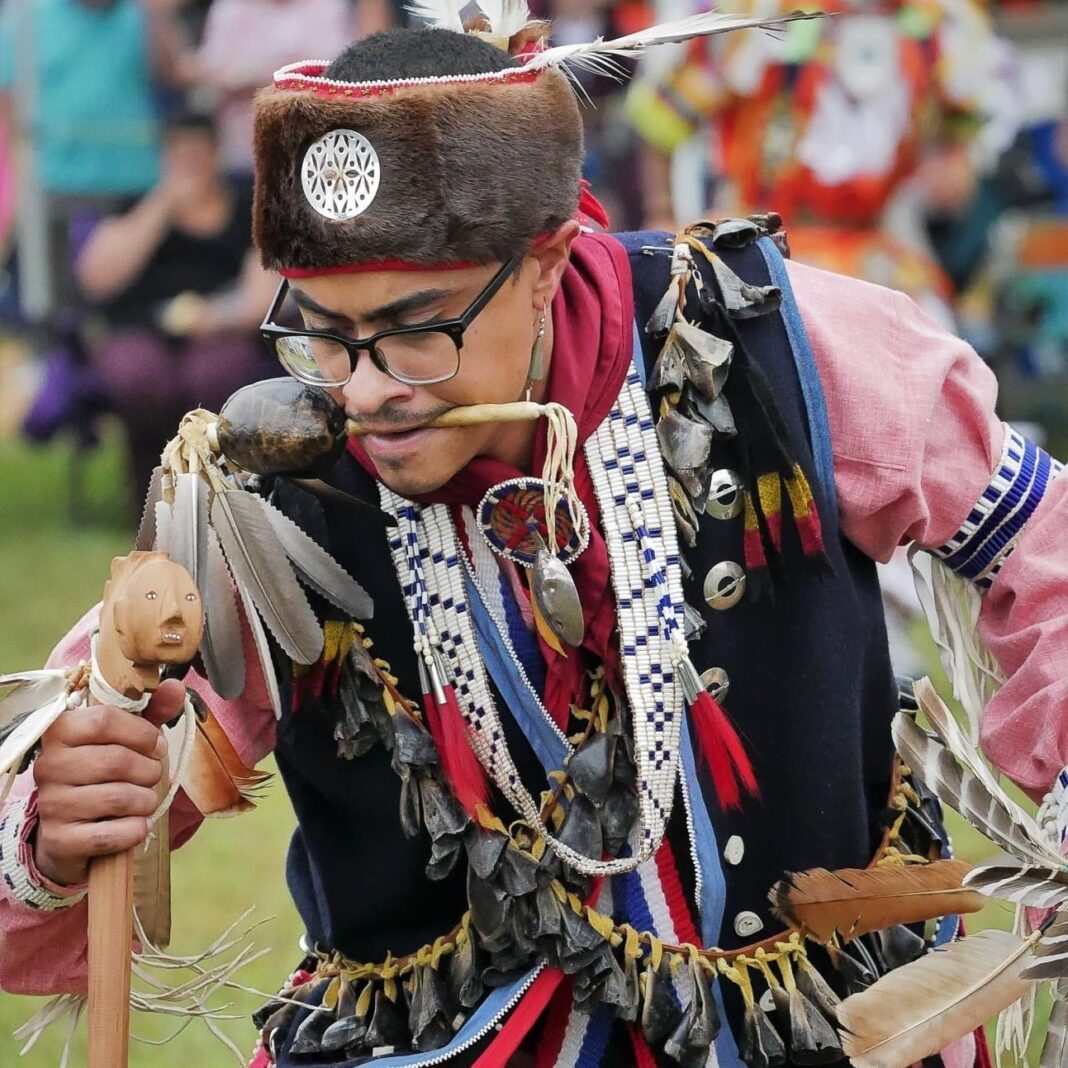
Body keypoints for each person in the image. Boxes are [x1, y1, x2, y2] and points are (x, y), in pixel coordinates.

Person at [1, 13, 1066, 1068]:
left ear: (549, 263)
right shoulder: (268, 485)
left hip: (806, 1038)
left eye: (419, 328)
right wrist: (59, 820)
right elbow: (91, 746)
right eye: (323, 334)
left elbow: (1042, 546)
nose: (367, 393)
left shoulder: (780, 348)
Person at [75, 111, 277, 509]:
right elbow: (96, 278)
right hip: (139, 327)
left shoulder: (244, 211)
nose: (190, 166)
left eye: (198, 156)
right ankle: (147, 497)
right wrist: (161, 209)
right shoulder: (135, 205)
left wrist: (213, 316)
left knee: (216, 376)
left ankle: (212, 498)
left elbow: (261, 294)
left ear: (217, 154)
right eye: (180, 156)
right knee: (136, 375)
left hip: (222, 327)